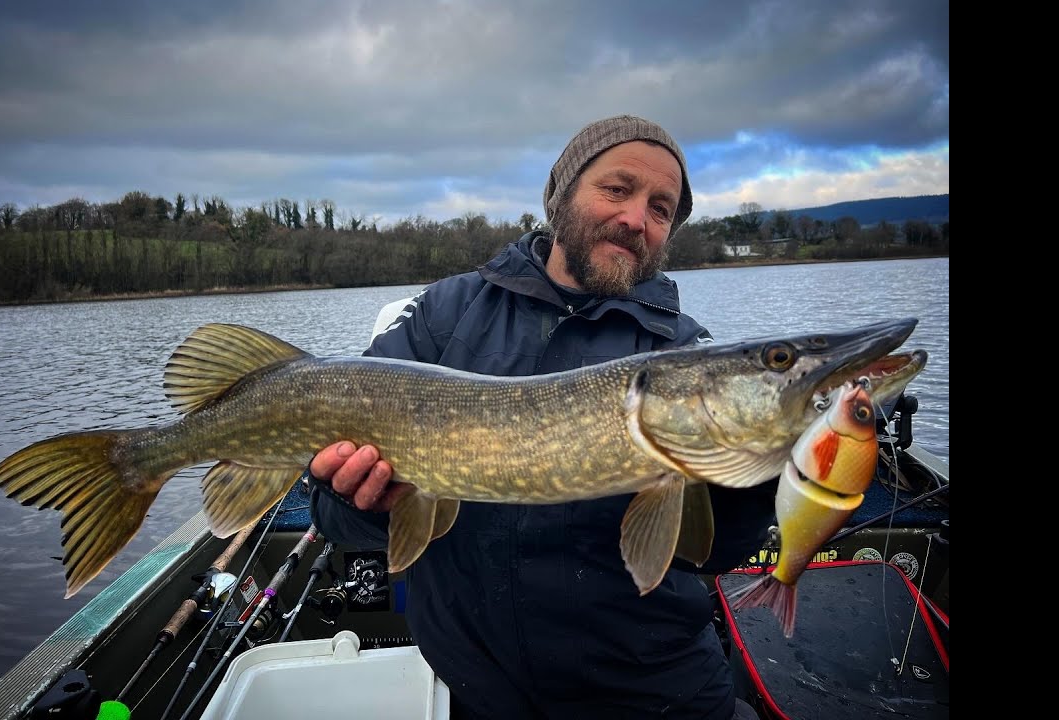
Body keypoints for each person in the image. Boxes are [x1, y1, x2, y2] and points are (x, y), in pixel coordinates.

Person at [306, 115, 773, 719]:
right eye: (617, 189)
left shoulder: (684, 356)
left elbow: (710, 555)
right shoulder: (444, 316)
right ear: (560, 195)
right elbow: (332, 514)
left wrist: (760, 472)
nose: (636, 218)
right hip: (481, 692)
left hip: (658, 694)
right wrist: (358, 501)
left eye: (661, 208)